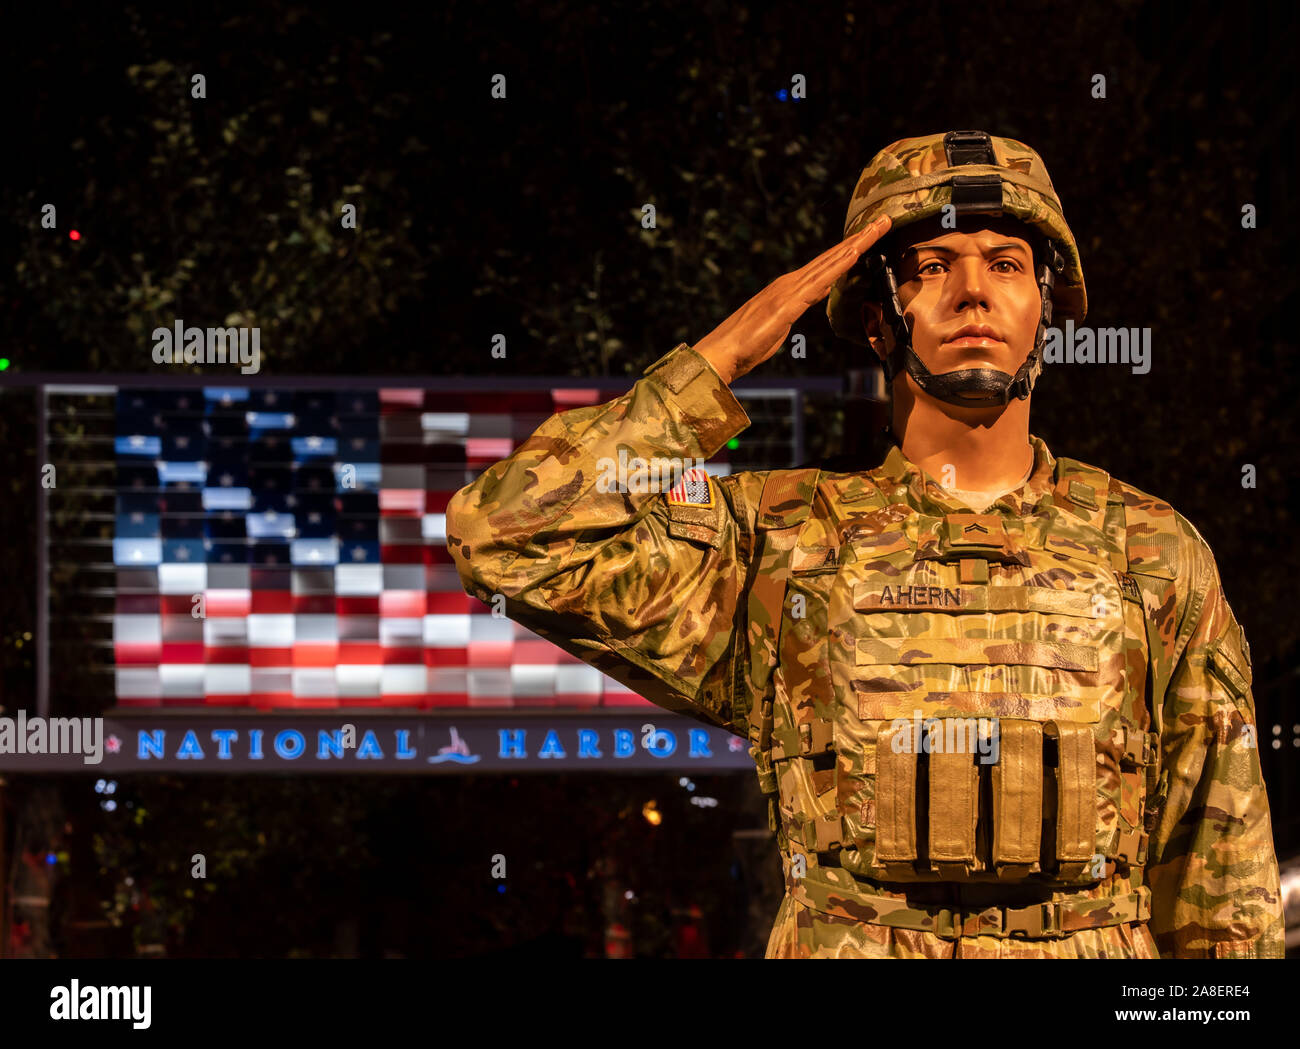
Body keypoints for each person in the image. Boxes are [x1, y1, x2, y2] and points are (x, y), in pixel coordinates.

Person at [446, 131, 1283, 958]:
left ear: (1046, 309)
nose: (971, 293)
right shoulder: (781, 544)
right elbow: (505, 532)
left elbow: (1225, 890)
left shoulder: (1152, 552)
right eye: (929, 266)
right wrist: (714, 364)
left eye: (1005, 263)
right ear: (880, 320)